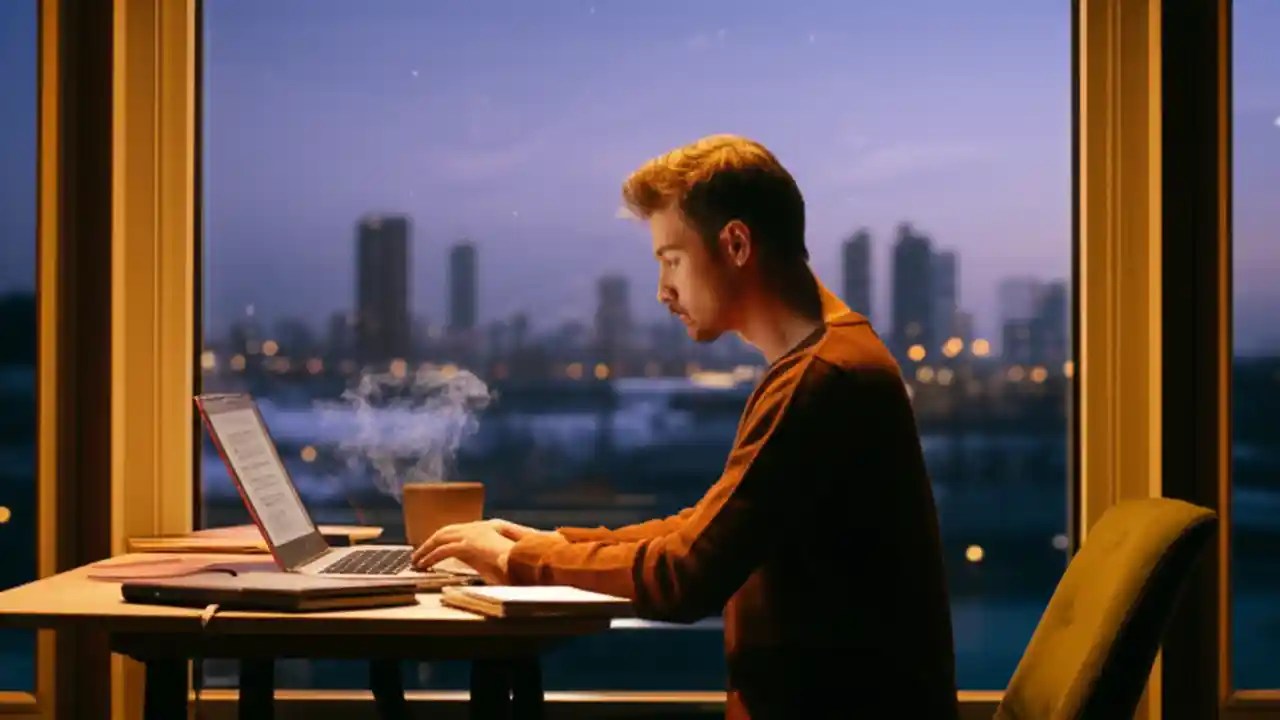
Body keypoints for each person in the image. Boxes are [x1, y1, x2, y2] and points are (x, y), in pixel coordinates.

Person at [413, 134, 959, 719]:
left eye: (672, 259)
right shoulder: (828, 361)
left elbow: (686, 574)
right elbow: (703, 530)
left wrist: (516, 561)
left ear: (737, 244)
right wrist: (550, 544)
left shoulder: (822, 379)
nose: (662, 291)